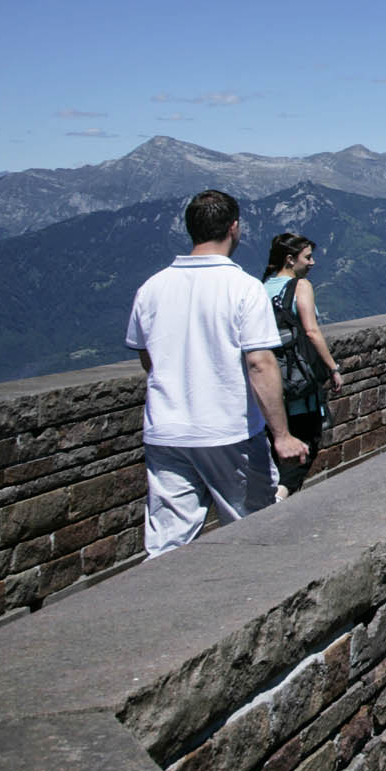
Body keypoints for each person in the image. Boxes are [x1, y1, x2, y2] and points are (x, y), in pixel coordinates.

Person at [125, 190, 308, 557]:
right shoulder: (244, 288)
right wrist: (282, 435)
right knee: (253, 532)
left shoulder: (151, 288)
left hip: (166, 432)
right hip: (229, 431)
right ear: (233, 228)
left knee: (168, 544)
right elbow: (260, 363)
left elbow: (149, 359)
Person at [262, 232, 344, 499]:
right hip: (299, 385)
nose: (312, 262)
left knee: (275, 452)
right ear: (290, 259)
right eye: (307, 257)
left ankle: (274, 495)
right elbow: (311, 331)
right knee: (305, 446)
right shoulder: (300, 286)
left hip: (268, 386)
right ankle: (279, 497)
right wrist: (332, 368)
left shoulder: (260, 287)